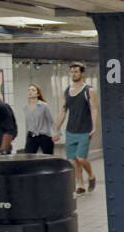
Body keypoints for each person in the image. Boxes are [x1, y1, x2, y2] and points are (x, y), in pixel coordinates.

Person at [53, 62, 99, 195]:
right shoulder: (67, 91)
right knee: (73, 161)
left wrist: (94, 127)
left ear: (82, 73)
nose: (74, 74)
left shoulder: (89, 90)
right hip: (70, 131)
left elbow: (94, 109)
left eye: (76, 72)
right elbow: (63, 111)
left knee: (81, 158)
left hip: (84, 130)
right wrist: (56, 128)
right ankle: (80, 185)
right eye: (72, 72)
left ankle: (91, 176)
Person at [23, 84, 55, 154]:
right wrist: (26, 138)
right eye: (28, 90)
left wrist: (57, 133)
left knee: (48, 159)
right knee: (28, 158)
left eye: (33, 90)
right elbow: (27, 124)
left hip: (44, 136)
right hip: (31, 136)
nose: (30, 91)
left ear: (38, 94)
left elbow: (51, 120)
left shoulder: (44, 106)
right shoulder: (25, 107)